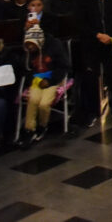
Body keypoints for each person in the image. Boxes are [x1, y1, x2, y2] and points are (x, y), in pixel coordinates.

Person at [19, 11, 70, 145]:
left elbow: (64, 66)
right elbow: (26, 69)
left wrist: (51, 80)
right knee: (33, 100)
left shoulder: (55, 45)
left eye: (33, 45)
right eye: (28, 45)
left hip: (52, 80)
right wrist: (32, 78)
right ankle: (29, 130)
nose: (30, 48)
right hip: (36, 80)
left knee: (44, 104)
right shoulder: (28, 51)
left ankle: (42, 126)